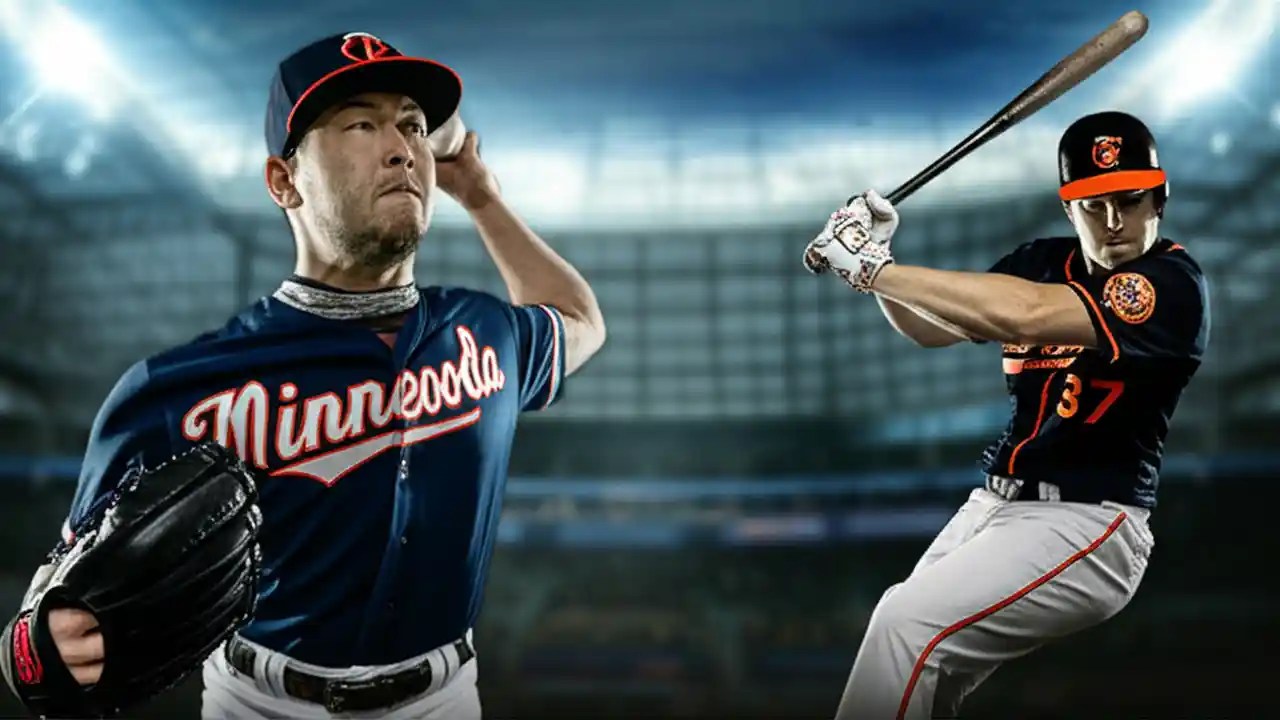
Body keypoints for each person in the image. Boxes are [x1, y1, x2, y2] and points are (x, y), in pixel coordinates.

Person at [8, 30, 605, 719]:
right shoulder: (174, 389)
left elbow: (580, 319)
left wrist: (480, 195)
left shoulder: (486, 332)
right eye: (361, 124)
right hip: (259, 702)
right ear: (284, 180)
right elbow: (58, 602)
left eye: (412, 125)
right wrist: (40, 640)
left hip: (445, 700)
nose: (401, 146)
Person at [803, 111, 1208, 719]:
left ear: (1160, 198)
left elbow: (1027, 317)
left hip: (1088, 520)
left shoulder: (1169, 285)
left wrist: (872, 268)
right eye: (1092, 204)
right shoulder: (1041, 260)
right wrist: (878, 268)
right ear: (1068, 209)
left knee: (904, 625)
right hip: (996, 506)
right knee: (929, 677)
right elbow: (933, 327)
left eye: (1130, 198)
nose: (1113, 220)